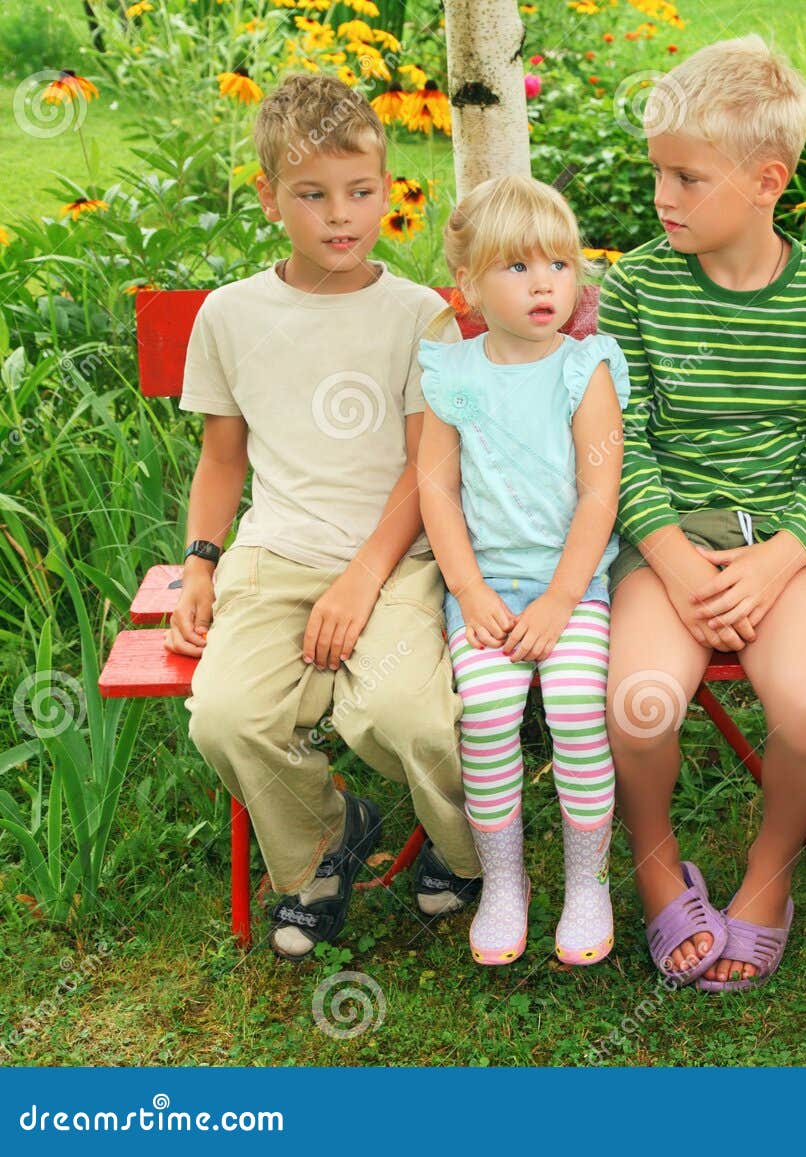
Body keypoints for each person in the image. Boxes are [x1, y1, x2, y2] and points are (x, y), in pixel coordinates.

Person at [168, 74, 481, 961]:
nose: (340, 216)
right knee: (225, 716)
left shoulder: (419, 316)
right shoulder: (229, 316)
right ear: (269, 198)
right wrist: (200, 563)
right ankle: (322, 844)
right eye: (312, 195)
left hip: (398, 559)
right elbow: (222, 459)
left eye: (361, 192)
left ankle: (467, 855)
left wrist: (359, 579)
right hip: (276, 553)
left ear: (388, 191)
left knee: (404, 717)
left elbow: (429, 471)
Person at [599, 35, 806, 990]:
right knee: (640, 705)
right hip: (663, 537)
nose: (663, 197)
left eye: (686, 176)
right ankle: (657, 865)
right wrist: (670, 557)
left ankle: (768, 874)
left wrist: (782, 557)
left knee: (805, 707)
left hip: (789, 547)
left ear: (767, 179)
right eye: (658, 174)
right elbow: (619, 442)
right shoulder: (634, 288)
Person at [417, 174, 627, 967]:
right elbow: (436, 488)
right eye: (516, 267)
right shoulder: (454, 374)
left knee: (575, 706)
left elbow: (599, 491)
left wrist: (563, 597)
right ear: (469, 285)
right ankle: (506, 881)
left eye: (559, 264)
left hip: (572, 588)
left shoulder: (584, 367)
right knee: (488, 712)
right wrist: (469, 591)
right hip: (485, 590)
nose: (544, 283)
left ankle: (588, 880)